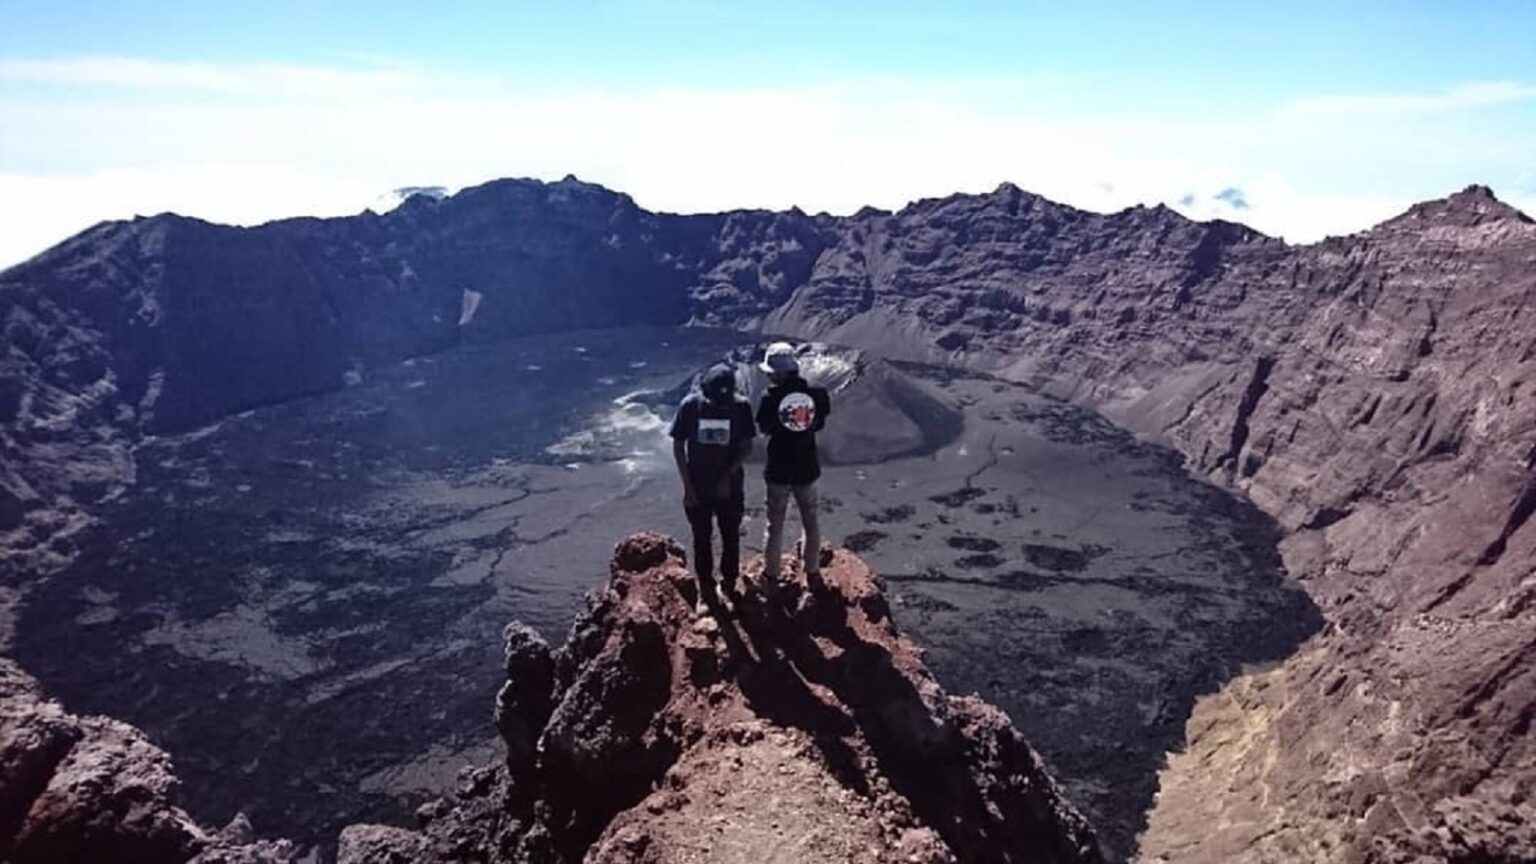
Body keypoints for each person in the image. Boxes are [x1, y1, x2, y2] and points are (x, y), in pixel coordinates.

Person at [670, 363, 755, 614]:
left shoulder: (741, 407)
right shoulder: (690, 406)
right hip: (698, 485)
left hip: (730, 487)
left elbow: (747, 445)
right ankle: (706, 591)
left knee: (730, 536)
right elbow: (678, 446)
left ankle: (729, 586)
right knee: (701, 538)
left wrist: (727, 476)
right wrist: (687, 487)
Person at [756, 342, 831, 594]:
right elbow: (818, 424)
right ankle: (813, 572)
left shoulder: (770, 397)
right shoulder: (816, 395)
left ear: (777, 372)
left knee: (774, 524)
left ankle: (771, 576)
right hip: (807, 467)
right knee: (811, 521)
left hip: (778, 467)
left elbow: (764, 428)